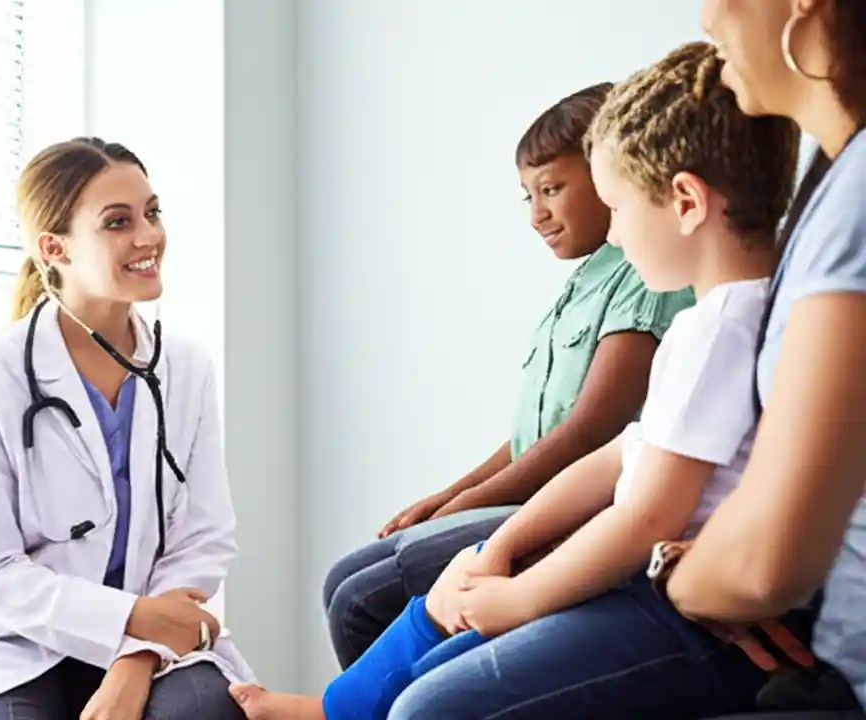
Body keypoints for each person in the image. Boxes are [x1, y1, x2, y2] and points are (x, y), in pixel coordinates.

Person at [232, 41, 801, 720]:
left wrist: (522, 598)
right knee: (449, 629)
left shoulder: (724, 330)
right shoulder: (710, 324)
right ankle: (334, 710)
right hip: (654, 576)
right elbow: (618, 457)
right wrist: (497, 546)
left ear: (684, 202)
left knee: (430, 699)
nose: (616, 237)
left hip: (679, 612)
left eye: (618, 209)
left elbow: (645, 512)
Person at [322, 83, 696, 669]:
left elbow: (590, 432)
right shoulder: (579, 286)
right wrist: (447, 496)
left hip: (577, 510)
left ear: (609, 174)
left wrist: (470, 503)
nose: (536, 215)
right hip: (532, 494)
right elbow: (534, 432)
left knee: (358, 599)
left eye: (551, 190)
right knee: (350, 578)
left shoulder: (643, 279)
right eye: (527, 196)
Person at [0, 138, 253, 720]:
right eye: (118, 222)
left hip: (155, 639)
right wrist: (133, 620)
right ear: (54, 248)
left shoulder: (184, 368)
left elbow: (203, 538)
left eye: (152, 213)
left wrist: (135, 655)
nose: (148, 236)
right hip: (5, 642)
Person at [654, 1, 866, 718]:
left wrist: (676, 578)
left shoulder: (858, 200)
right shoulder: (838, 183)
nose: (707, 19)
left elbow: (761, 563)